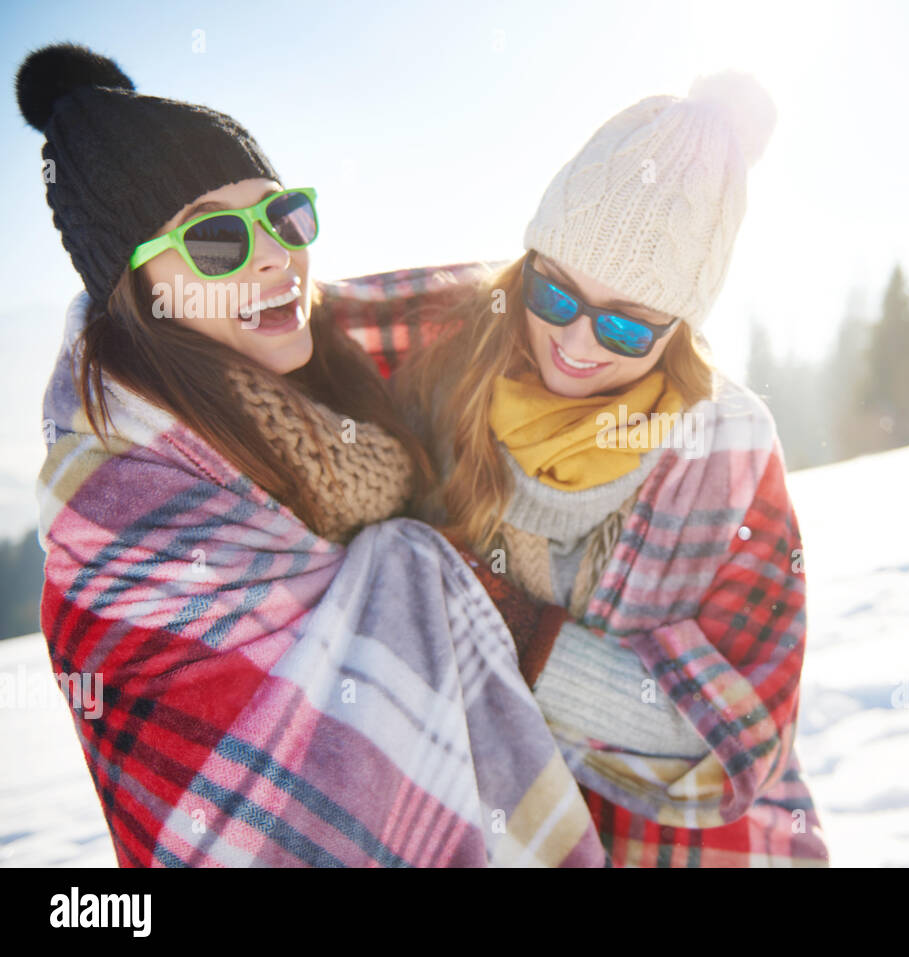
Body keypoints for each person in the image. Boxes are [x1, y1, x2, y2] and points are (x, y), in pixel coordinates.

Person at [19, 43, 604, 867]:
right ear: (141, 291)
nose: (273, 255)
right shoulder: (127, 520)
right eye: (215, 240)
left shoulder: (345, 379)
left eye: (282, 215)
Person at [386, 71, 832, 866]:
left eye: (626, 326)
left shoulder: (727, 452)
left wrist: (511, 631)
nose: (578, 343)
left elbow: (726, 731)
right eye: (554, 294)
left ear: (680, 329)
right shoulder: (445, 378)